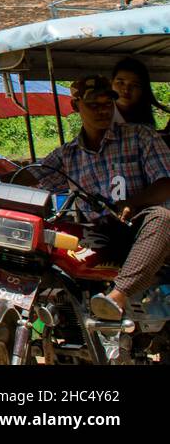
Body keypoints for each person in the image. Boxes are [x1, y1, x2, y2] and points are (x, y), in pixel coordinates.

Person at [29, 75, 170, 321]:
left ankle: (116, 298)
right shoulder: (67, 154)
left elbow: (166, 183)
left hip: (140, 229)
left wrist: (133, 203)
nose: (103, 110)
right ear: (75, 107)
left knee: (163, 216)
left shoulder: (139, 136)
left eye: (108, 104)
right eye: (94, 105)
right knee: (48, 233)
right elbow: (33, 174)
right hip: (98, 235)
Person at [111, 57, 168, 131]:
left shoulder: (144, 122)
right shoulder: (100, 114)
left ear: (143, 89)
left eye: (134, 85)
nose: (126, 90)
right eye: (121, 83)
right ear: (111, 83)